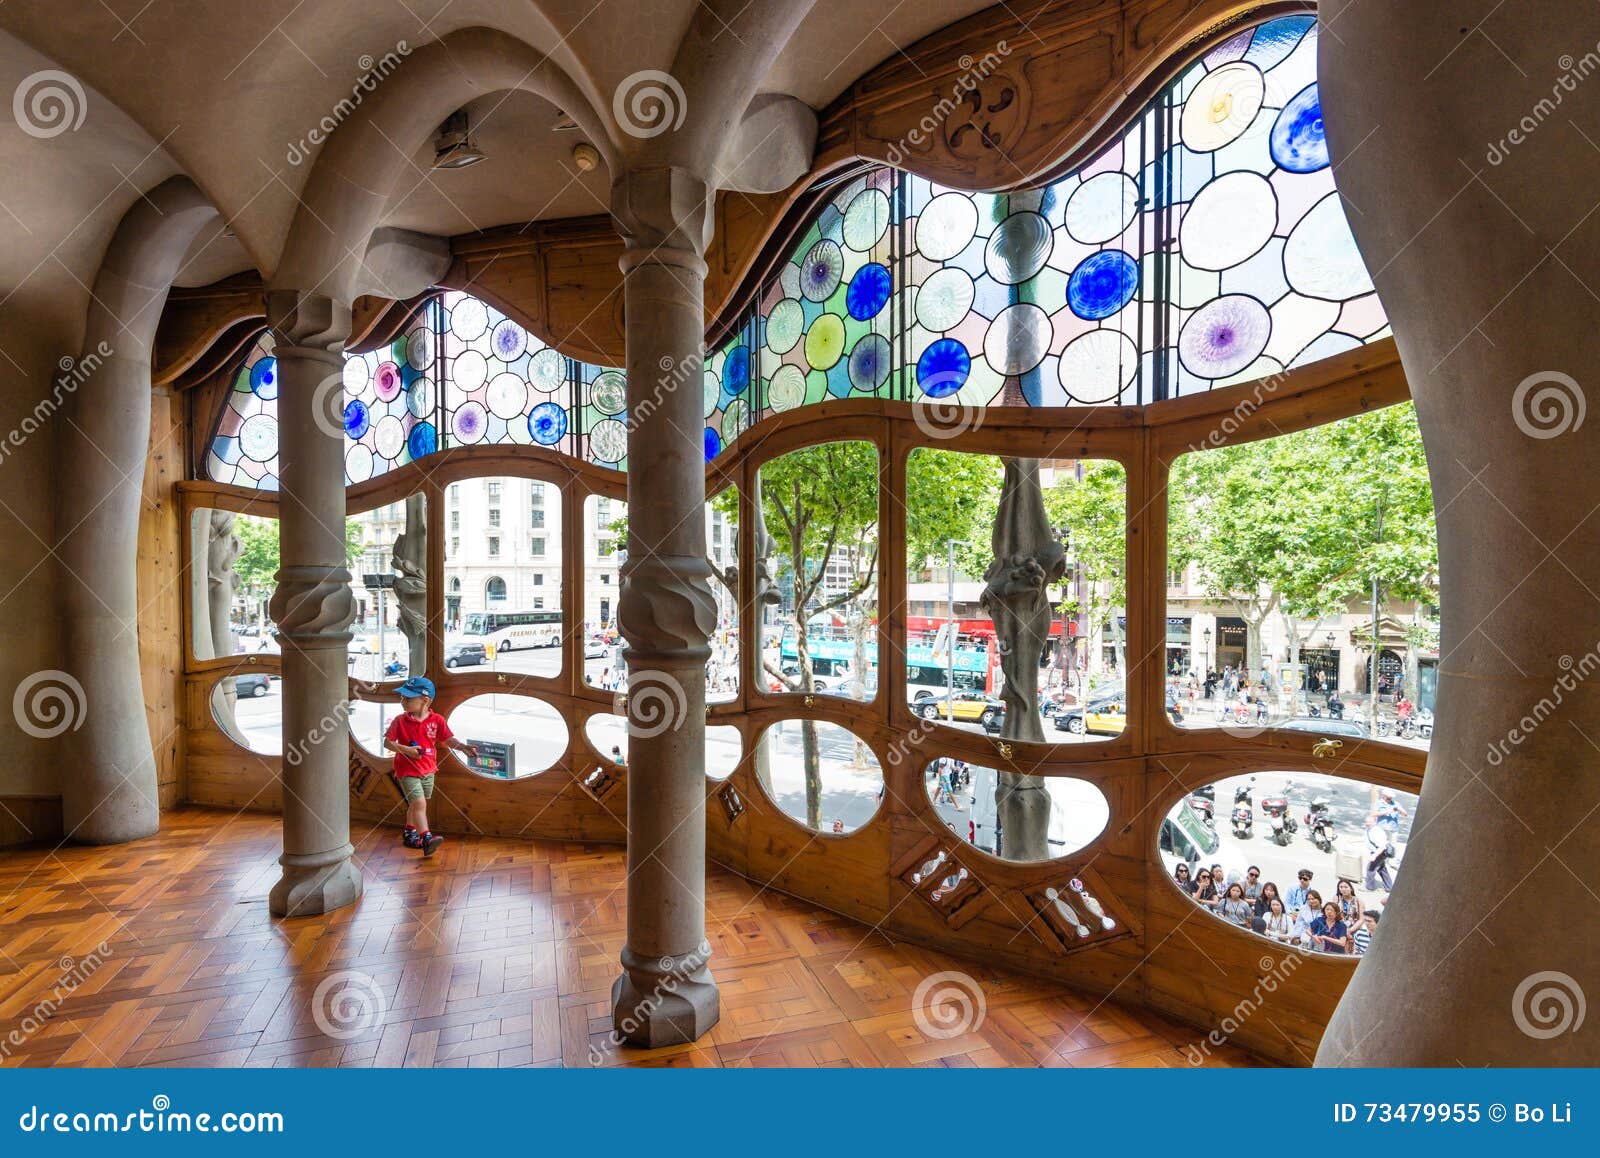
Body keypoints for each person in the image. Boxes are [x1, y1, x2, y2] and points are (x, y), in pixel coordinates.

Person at [384, 677, 477, 857]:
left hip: (428, 770)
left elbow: (447, 739)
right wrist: (407, 750)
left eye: (407, 698)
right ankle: (426, 839)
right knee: (419, 804)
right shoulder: (399, 721)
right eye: (402, 697)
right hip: (407, 770)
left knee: (416, 804)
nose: (402, 701)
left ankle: (409, 833)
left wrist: (462, 747)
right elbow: (388, 743)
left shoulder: (437, 720)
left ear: (425, 700)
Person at [1364, 812, 1395, 892]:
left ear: (1375, 822)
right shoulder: (1368, 830)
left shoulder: (1377, 832)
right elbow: (1367, 840)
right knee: (1382, 869)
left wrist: (1374, 855)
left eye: (1370, 822)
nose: (1367, 823)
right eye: (1366, 822)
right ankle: (1389, 887)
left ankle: (1369, 887)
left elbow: (1382, 847)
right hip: (1377, 852)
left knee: (1370, 869)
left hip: (1380, 852)